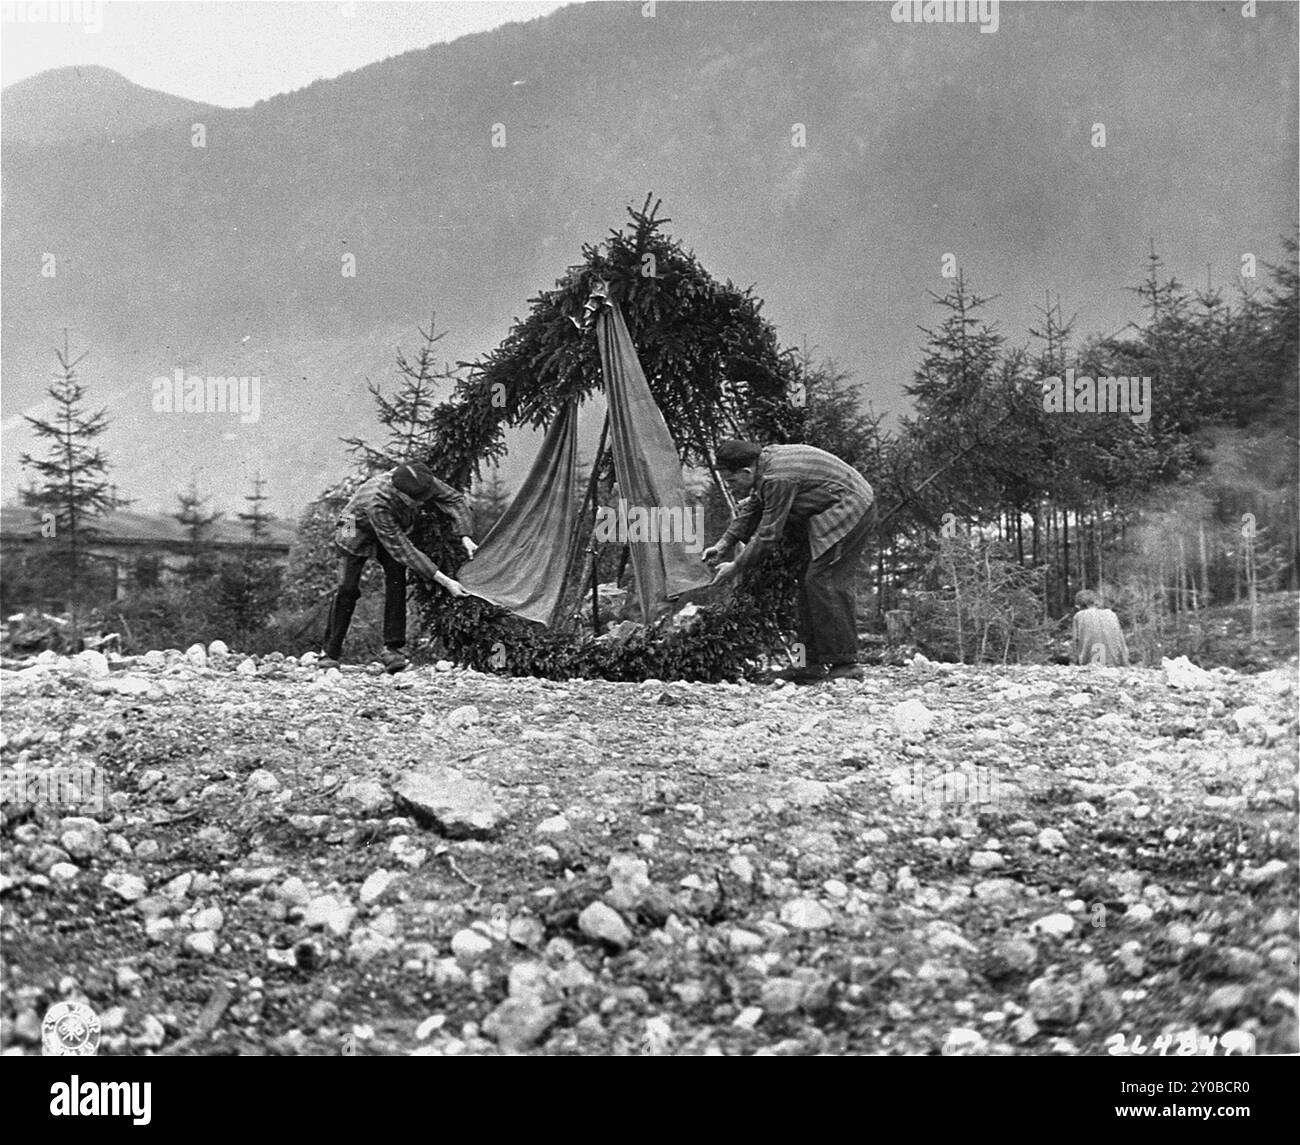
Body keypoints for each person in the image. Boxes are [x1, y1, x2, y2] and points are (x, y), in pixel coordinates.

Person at [703, 439, 873, 683]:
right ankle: (806, 664)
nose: (731, 488)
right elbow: (755, 506)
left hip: (851, 508)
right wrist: (722, 545)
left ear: (746, 471)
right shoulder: (765, 466)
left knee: (823, 581)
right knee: (807, 584)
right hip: (828, 510)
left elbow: (768, 533)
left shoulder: (777, 477)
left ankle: (845, 664)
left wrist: (736, 566)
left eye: (731, 481)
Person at [319, 462, 476, 672]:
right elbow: (404, 550)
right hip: (353, 523)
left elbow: (454, 498)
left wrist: (465, 536)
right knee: (347, 587)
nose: (422, 503)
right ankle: (329, 653)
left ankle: (392, 649)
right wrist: (447, 582)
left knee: (396, 578)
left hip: (388, 525)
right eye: (416, 501)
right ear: (401, 494)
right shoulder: (377, 502)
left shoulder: (419, 479)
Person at [1070, 589, 1129, 667]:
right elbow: (1121, 640)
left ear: (1079, 605)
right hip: (1115, 663)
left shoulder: (1079, 616)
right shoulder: (1111, 614)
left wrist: (1074, 662)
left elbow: (1075, 641)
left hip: (1090, 664)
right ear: (1095, 602)